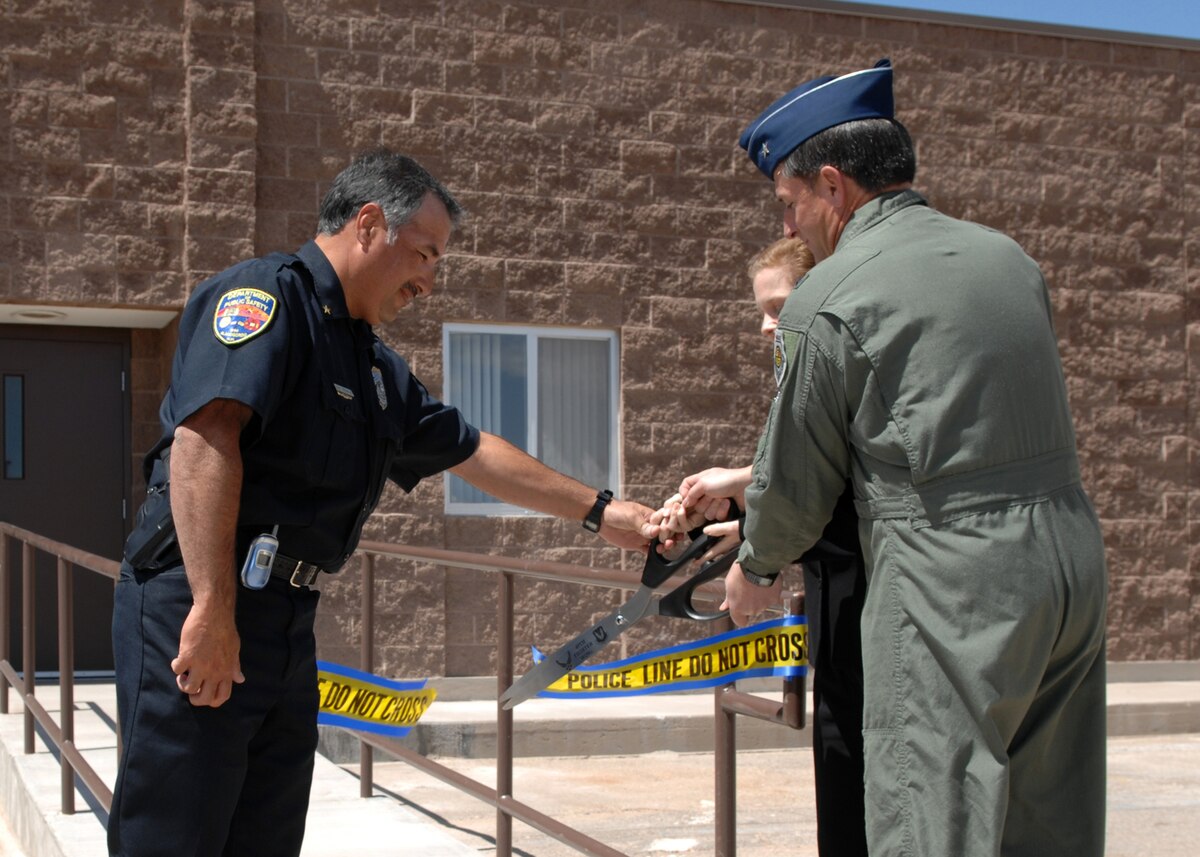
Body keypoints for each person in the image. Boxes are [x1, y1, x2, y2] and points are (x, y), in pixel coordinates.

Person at [109, 148, 657, 857]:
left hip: (284, 617)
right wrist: (212, 608)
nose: (430, 280)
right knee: (176, 834)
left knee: (264, 833)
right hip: (203, 595)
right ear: (369, 223)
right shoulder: (267, 300)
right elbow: (205, 442)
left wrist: (604, 512)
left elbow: (473, 449)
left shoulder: (369, 364)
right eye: (424, 254)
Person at [723, 59, 1108, 856]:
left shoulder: (827, 298)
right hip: (1068, 561)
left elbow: (795, 479)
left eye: (790, 205)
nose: (791, 230)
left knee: (933, 815)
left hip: (949, 580)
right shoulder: (1008, 257)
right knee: (1050, 820)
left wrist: (755, 567)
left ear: (833, 186)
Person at [659, 236, 867, 857]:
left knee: (857, 779)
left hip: (866, 605)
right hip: (836, 608)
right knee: (839, 772)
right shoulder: (804, 365)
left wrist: (759, 554)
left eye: (778, 305)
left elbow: (840, 479)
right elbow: (810, 474)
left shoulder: (836, 359)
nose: (764, 323)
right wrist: (739, 497)